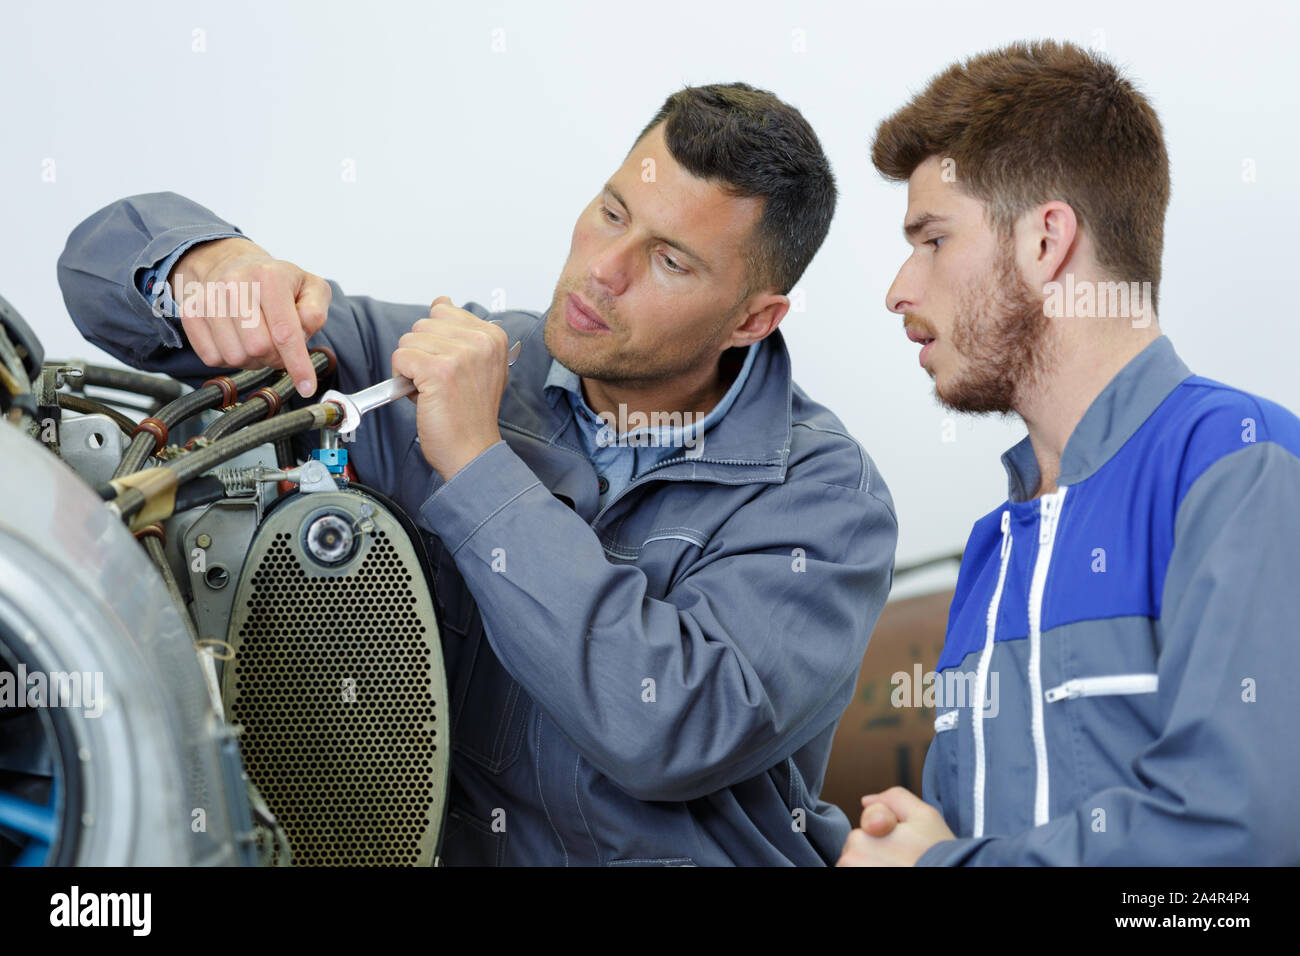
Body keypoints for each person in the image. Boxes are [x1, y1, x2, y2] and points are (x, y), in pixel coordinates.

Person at [58, 82, 898, 866]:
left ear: (754, 318)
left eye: (671, 261)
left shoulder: (825, 501)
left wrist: (476, 464)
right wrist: (202, 266)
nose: (606, 270)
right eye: (612, 213)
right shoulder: (434, 362)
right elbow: (102, 278)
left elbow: (669, 725)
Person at [838, 40, 1300, 866]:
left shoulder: (1241, 467)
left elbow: (1238, 849)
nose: (899, 290)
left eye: (933, 239)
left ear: (1046, 241)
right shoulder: (995, 548)